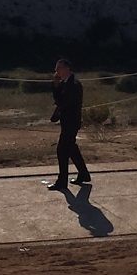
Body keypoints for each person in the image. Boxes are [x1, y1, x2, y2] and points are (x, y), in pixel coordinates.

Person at [48, 58, 91, 189]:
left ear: (67, 68)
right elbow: (58, 99)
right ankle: (83, 174)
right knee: (71, 148)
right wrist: (55, 85)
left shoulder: (74, 84)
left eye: (59, 68)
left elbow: (65, 103)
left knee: (62, 150)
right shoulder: (64, 83)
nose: (56, 71)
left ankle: (62, 182)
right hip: (66, 121)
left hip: (71, 122)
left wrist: (58, 110)